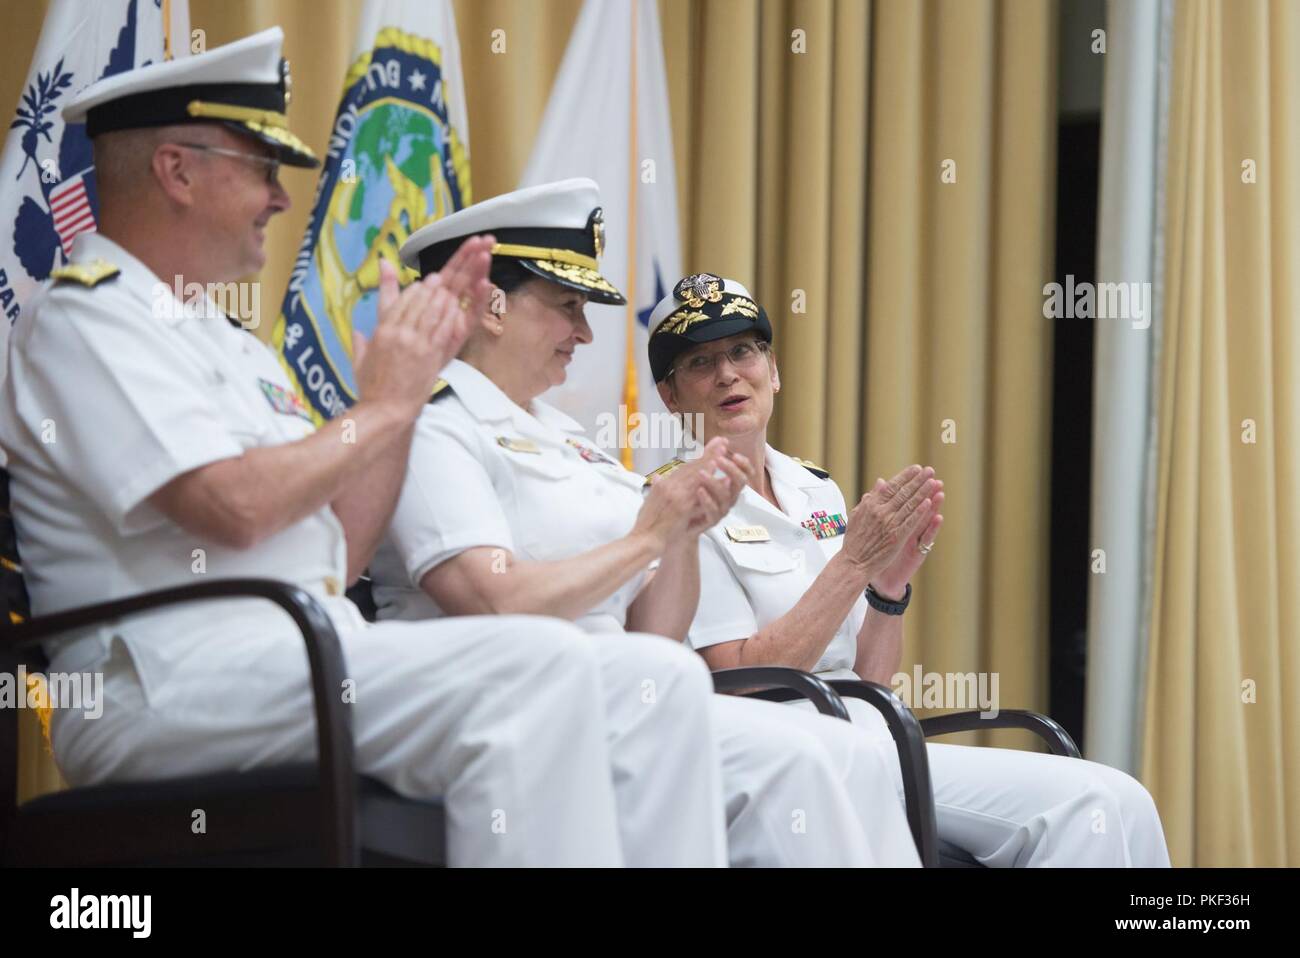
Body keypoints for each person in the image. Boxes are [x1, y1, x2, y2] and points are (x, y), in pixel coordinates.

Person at [0, 28, 727, 868]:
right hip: (168, 682)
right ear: (177, 170)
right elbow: (232, 507)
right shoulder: (88, 318)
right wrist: (382, 409)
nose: (279, 200)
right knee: (537, 668)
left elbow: (338, 554)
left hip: (294, 653)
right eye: (263, 170)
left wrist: (406, 395)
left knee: (662, 687)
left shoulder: (234, 347)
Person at [371, 178, 923, 867]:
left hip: (632, 692)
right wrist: (647, 538)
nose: (585, 332)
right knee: (798, 759)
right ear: (492, 305)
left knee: (845, 749)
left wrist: (685, 530)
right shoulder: (434, 423)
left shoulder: (574, 441)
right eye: (568, 305)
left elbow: (657, 633)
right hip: (510, 704)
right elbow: (488, 598)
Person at [644, 272, 1173, 867]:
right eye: (700, 361)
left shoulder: (815, 489)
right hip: (788, 759)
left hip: (870, 732)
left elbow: (869, 678)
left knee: (1112, 800)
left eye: (743, 350)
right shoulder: (674, 505)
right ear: (671, 396)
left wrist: (887, 588)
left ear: (774, 370)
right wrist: (853, 563)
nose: (727, 374)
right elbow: (744, 676)